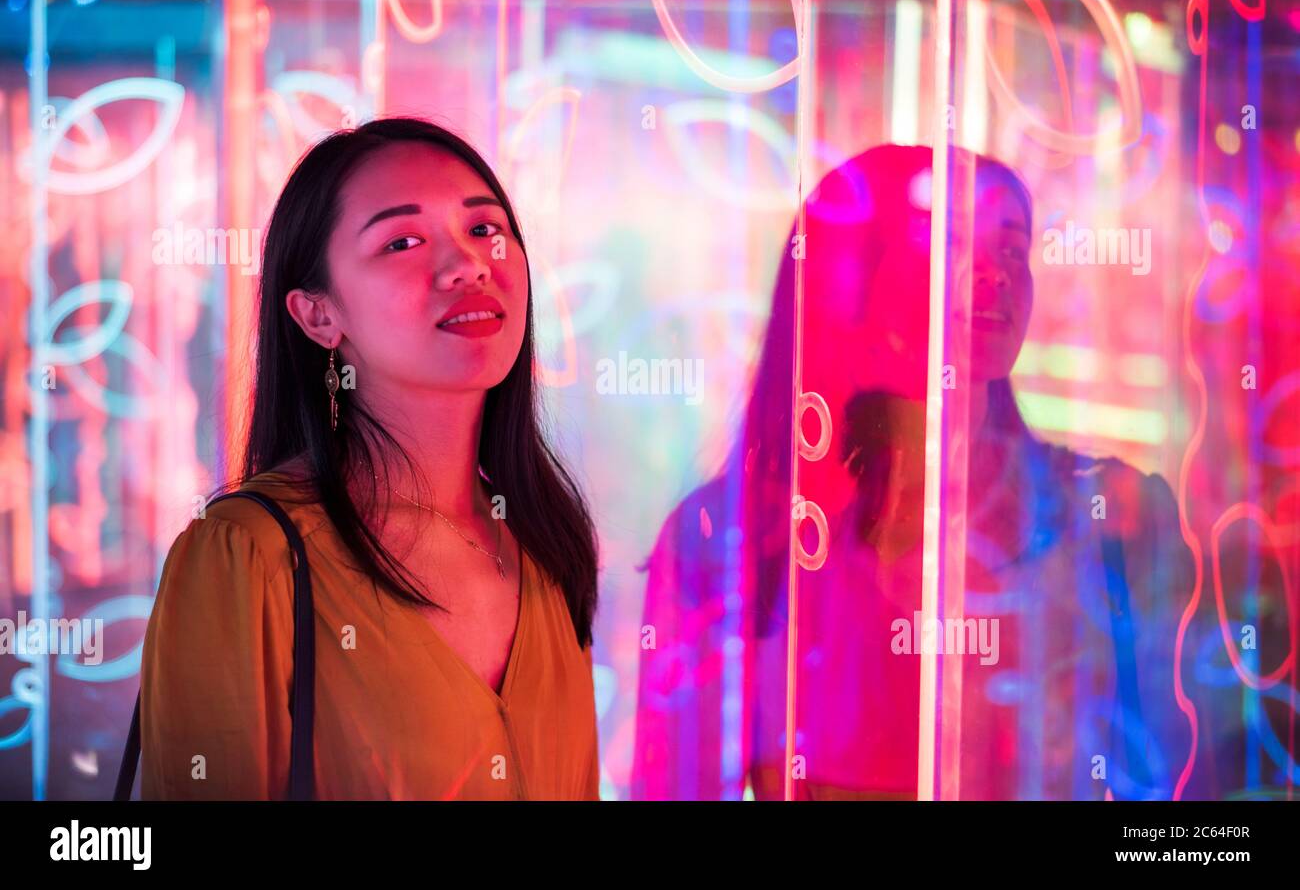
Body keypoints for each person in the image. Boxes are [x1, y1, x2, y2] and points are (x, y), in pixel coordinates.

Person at [632, 144, 1194, 800]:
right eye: (951, 244)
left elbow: (1172, 795)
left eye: (1012, 248)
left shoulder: (1104, 517)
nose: (992, 276)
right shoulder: (726, 540)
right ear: (852, 281)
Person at [141, 117, 601, 800]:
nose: (469, 263)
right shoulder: (247, 554)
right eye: (403, 240)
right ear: (318, 315)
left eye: (484, 229)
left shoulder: (544, 541)